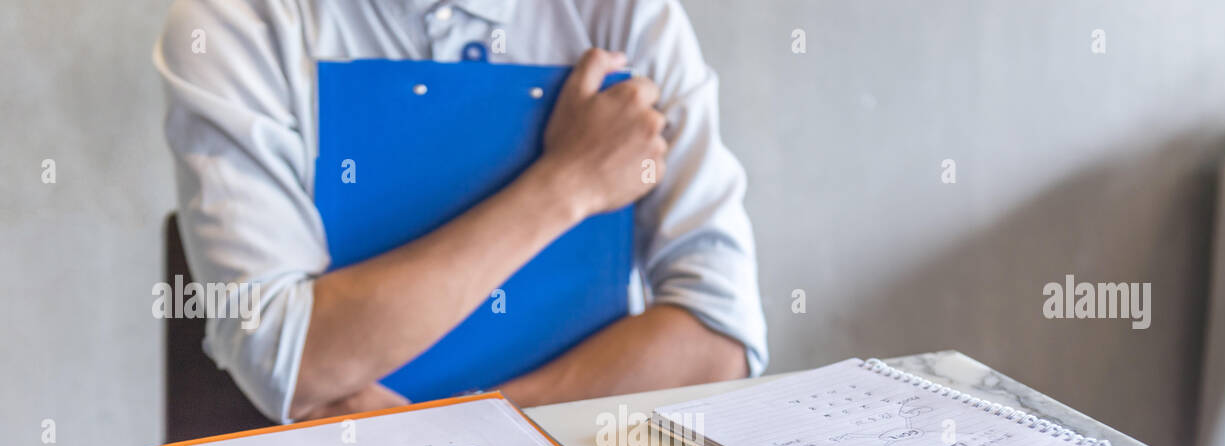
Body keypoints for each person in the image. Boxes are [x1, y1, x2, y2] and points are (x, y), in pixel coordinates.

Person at [154, 0, 768, 423]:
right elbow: (293, 360)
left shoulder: (625, 15)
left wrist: (447, 432)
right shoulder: (238, 23)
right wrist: (567, 185)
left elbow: (718, 341)